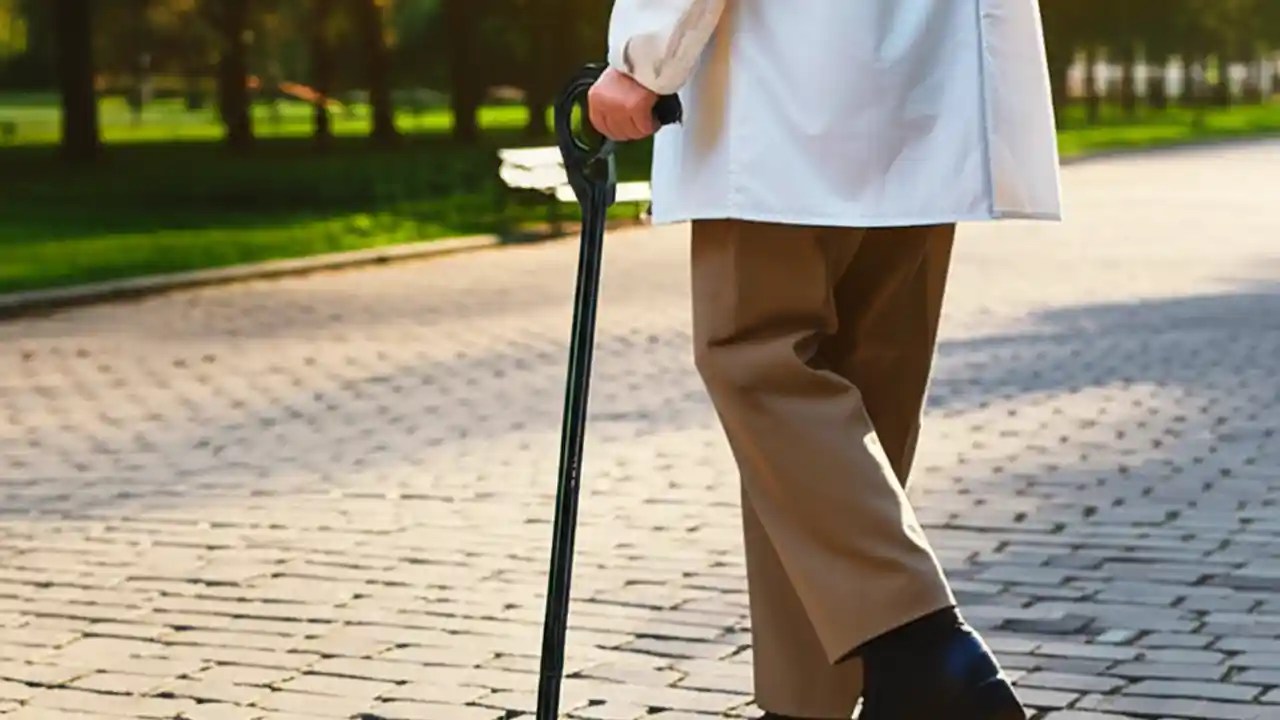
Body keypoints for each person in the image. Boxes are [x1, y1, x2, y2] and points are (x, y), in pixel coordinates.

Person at [589, 2, 1062, 719]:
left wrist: (645, 55)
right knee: (854, 405)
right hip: (928, 74)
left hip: (785, 76)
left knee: (758, 358)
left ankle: (925, 648)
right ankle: (807, 704)